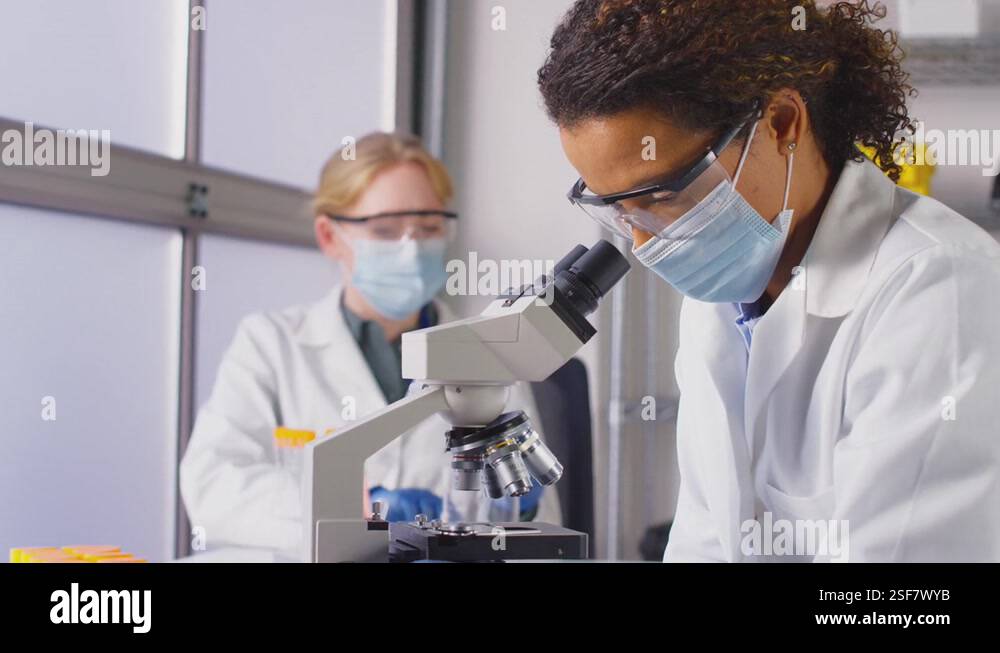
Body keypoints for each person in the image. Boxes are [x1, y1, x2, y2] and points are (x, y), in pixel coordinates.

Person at [538, 0, 1000, 561]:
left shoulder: (938, 285)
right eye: (619, 209)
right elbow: (706, 541)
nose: (645, 244)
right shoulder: (724, 298)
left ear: (782, 124)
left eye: (662, 195)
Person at [181, 132, 559, 558]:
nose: (411, 249)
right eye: (384, 229)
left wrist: (519, 509)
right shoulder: (270, 344)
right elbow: (213, 486)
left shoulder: (489, 350)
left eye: (429, 228)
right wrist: (356, 508)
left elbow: (542, 516)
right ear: (329, 236)